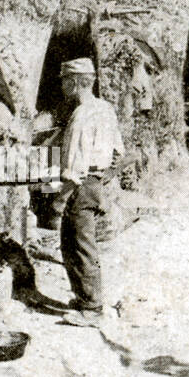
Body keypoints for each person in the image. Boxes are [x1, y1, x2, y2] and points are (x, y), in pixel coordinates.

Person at [55, 57, 124, 328]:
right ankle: (85, 299)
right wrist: (103, 176)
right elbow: (120, 152)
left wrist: (60, 199)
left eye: (63, 81)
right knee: (78, 242)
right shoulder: (104, 108)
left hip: (81, 187)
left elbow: (75, 164)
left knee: (78, 246)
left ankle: (92, 309)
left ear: (74, 83)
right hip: (95, 183)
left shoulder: (82, 115)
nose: (61, 86)